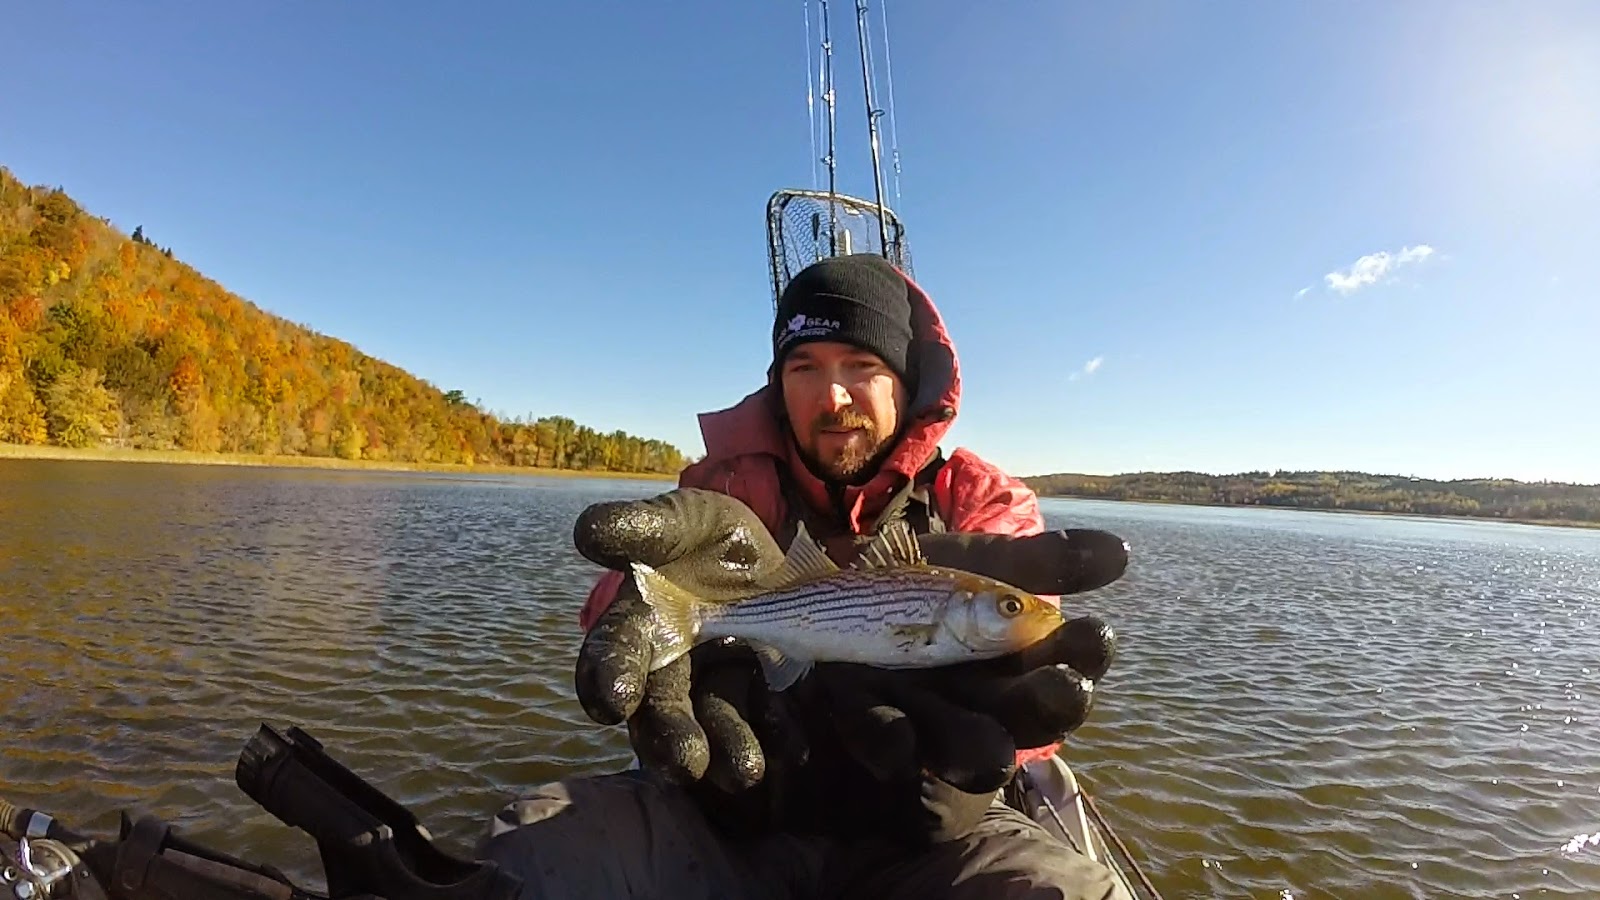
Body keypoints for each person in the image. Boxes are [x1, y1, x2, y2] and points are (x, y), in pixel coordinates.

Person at [479, 254, 1135, 899]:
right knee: (534, 849)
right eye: (806, 367)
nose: (833, 395)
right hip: (739, 822)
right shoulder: (728, 484)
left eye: (862, 366)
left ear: (905, 382)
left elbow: (1042, 676)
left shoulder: (981, 498)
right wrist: (639, 608)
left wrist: (990, 733)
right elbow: (624, 604)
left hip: (937, 844)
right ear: (777, 383)